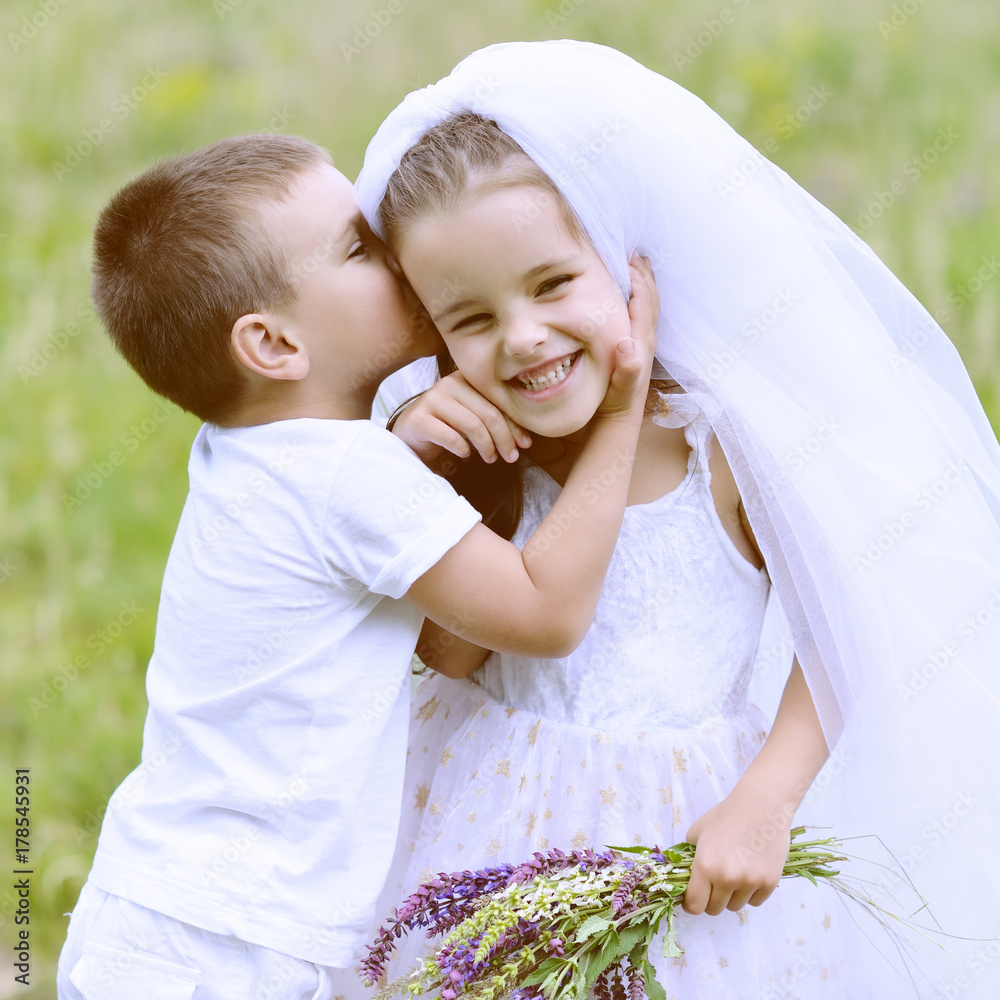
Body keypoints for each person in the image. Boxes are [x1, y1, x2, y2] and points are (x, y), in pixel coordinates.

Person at [339, 40, 1000, 1000]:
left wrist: (769, 796)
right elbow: (449, 656)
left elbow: (852, 614)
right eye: (470, 320)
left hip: (696, 845)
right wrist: (420, 478)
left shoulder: (717, 450)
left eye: (555, 283)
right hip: (484, 832)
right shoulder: (476, 454)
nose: (523, 337)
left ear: (629, 269)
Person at [55, 132, 658, 999]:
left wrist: (402, 449)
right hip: (228, 948)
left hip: (163, 913)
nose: (396, 254)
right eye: (360, 248)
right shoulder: (349, 477)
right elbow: (546, 614)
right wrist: (622, 412)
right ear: (272, 346)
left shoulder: (249, 450)